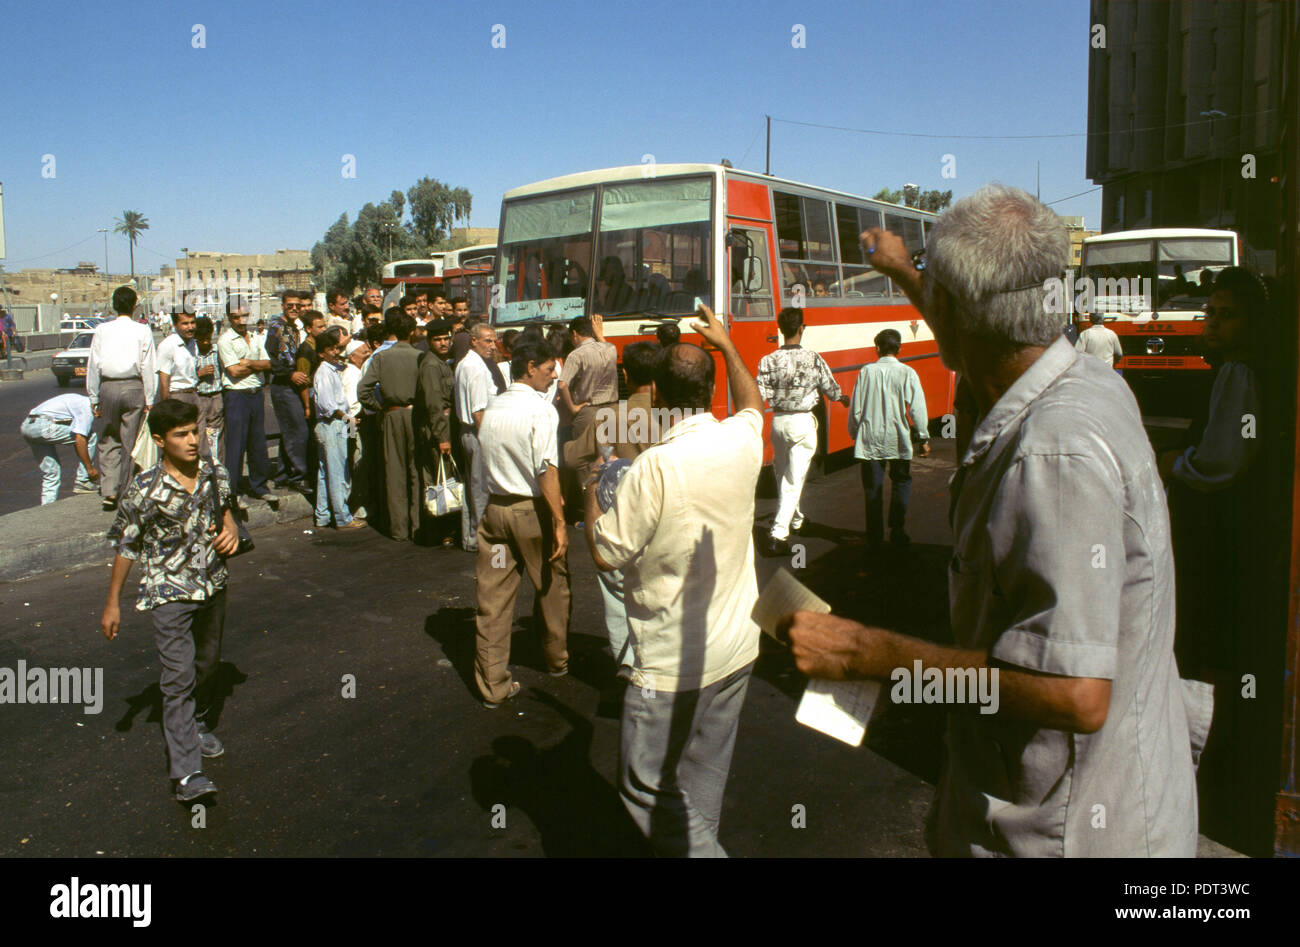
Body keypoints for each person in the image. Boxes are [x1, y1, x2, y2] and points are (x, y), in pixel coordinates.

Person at [786, 183, 1204, 857]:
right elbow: (974, 330)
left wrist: (867, 652)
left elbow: (1075, 693)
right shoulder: (1092, 381)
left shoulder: (1055, 451)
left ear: (949, 311)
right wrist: (904, 273)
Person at [584, 304, 765, 857]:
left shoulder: (655, 468)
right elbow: (755, 403)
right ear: (710, 392)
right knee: (700, 779)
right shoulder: (741, 439)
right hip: (737, 648)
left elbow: (607, 555)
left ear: (656, 398)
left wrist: (593, 488)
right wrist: (728, 344)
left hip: (672, 662)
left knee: (645, 786)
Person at [101, 398, 240, 802]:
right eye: (181, 435)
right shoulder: (144, 490)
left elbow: (227, 509)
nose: (193, 440)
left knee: (207, 664)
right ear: (160, 440)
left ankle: (197, 722)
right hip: (169, 590)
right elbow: (126, 545)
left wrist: (229, 525)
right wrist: (113, 603)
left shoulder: (215, 472)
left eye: (194, 431)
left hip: (213, 583)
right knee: (177, 678)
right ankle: (187, 774)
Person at [474, 339, 572, 707]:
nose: (552, 380)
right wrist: (559, 522)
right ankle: (557, 659)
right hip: (532, 515)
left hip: (496, 515)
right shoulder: (541, 411)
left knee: (494, 600)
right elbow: (545, 469)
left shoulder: (494, 406)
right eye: (549, 371)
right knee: (551, 586)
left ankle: (493, 684)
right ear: (530, 367)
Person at [756, 307, 848, 555]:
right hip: (802, 423)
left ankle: (796, 520)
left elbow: (760, 394)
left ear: (781, 329)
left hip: (777, 422)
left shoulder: (767, 360)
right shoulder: (813, 358)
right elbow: (830, 387)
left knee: (782, 476)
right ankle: (778, 534)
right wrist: (842, 398)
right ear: (801, 329)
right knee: (792, 480)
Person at [847, 327, 929, 551]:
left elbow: (855, 410)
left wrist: (855, 434)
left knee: (873, 489)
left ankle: (874, 536)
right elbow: (917, 410)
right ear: (899, 348)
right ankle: (897, 529)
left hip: (870, 439)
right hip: (898, 438)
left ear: (877, 348)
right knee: (901, 481)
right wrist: (923, 437)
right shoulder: (908, 373)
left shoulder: (866, 372)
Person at [87, 286, 156, 512]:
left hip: (108, 387)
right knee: (130, 442)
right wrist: (149, 398)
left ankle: (109, 491)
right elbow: (148, 366)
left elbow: (93, 365)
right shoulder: (142, 330)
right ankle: (127, 491)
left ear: (114, 305)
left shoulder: (101, 330)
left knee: (108, 439)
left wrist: (93, 396)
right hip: (134, 386)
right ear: (135, 306)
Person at [358, 312, 423, 541]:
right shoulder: (420, 356)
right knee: (416, 472)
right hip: (416, 416)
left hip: (392, 415)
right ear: (412, 332)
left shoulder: (381, 357)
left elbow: (363, 390)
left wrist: (379, 407)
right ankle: (417, 526)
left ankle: (398, 528)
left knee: (394, 473)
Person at [217, 303, 277, 505]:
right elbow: (233, 371)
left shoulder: (256, 337)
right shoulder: (225, 340)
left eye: (244, 316)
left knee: (257, 442)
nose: (240, 321)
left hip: (255, 393)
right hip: (236, 395)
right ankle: (232, 492)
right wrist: (255, 365)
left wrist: (248, 363)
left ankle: (259, 485)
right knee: (236, 445)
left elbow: (268, 363)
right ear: (229, 318)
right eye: (236, 317)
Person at [312, 328, 366, 531]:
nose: (336, 352)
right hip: (333, 424)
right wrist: (349, 419)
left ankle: (323, 515)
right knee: (338, 473)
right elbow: (329, 406)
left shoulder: (333, 370)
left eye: (337, 348)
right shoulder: (324, 372)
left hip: (335, 423)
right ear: (321, 353)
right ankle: (343, 517)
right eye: (331, 350)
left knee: (325, 472)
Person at [454, 322, 500, 552]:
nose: (492, 346)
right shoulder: (477, 369)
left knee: (473, 488)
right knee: (481, 489)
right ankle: (480, 538)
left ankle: (471, 536)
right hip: (478, 433)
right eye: (487, 341)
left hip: (468, 433)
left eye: (494, 340)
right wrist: (488, 441)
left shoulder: (466, 364)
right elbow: (478, 411)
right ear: (474, 341)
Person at [558, 315, 618, 487]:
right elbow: (605, 345)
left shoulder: (576, 355)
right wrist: (600, 334)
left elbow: (562, 385)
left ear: (574, 334)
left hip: (587, 412)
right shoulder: (610, 349)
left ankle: (588, 498)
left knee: (585, 460)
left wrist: (573, 408)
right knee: (609, 455)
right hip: (612, 410)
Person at [264, 289, 313, 490]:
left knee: (290, 431)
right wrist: (290, 374)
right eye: (290, 305)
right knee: (298, 431)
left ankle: (283, 475)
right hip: (283, 384)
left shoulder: (293, 327)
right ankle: (298, 476)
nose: (294, 309)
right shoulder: (277, 327)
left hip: (292, 383)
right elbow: (272, 359)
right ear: (283, 306)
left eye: (298, 306)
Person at [416, 318, 456, 546]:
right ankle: (442, 531)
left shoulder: (441, 362)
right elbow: (434, 404)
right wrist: (442, 437)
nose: (443, 343)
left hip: (443, 427)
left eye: (445, 338)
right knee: (441, 482)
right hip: (437, 432)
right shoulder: (431, 365)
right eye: (438, 339)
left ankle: (444, 528)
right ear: (430, 341)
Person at [21, 392, 100, 505]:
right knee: (90, 436)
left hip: (27, 426)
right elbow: (80, 439)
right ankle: (83, 480)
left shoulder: (77, 400)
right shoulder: (88, 407)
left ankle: (46, 508)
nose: (98, 417)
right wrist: (90, 468)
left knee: (51, 472)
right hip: (43, 426)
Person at [156, 310, 210, 459]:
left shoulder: (193, 343)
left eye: (192, 322)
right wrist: (167, 408)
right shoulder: (167, 346)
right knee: (180, 446)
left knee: (201, 444)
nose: (190, 327)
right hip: (177, 397)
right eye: (185, 323)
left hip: (193, 394)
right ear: (175, 325)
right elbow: (164, 380)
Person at [340, 338, 371, 520]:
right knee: (356, 461)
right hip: (353, 424)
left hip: (352, 423)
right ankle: (357, 505)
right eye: (364, 352)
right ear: (352, 357)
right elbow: (352, 405)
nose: (367, 355)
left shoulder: (355, 370)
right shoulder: (352, 374)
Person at [192, 316, 225, 463]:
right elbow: (184, 379)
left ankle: (216, 467)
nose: (206, 342)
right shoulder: (191, 353)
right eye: (202, 339)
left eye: (208, 338)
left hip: (215, 397)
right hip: (199, 397)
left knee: (215, 436)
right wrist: (199, 374)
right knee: (198, 435)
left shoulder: (216, 351)